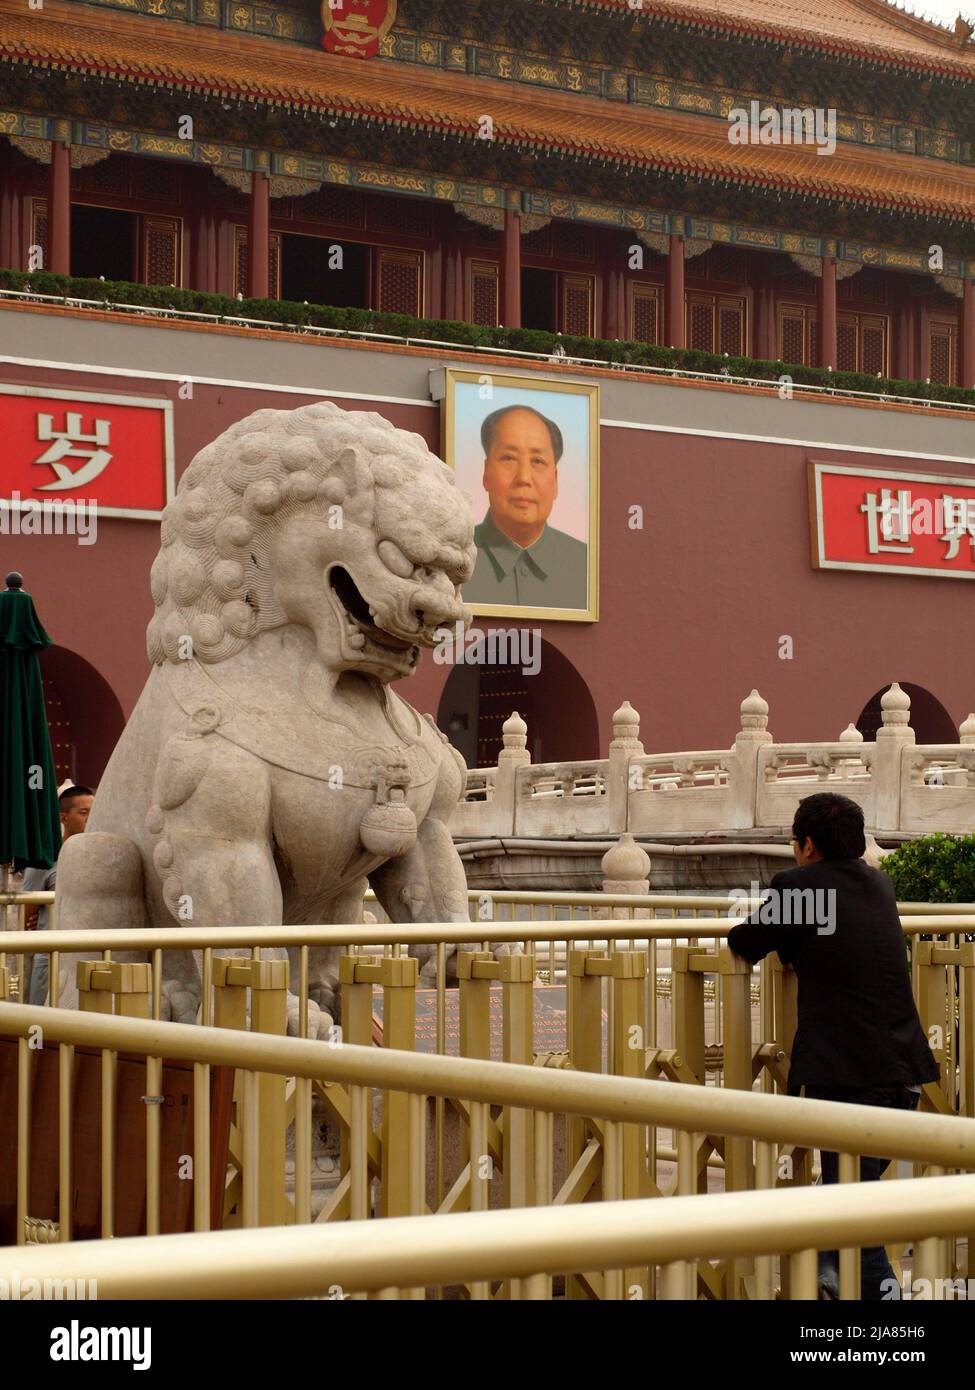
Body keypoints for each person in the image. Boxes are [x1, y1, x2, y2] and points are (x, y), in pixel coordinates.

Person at [727, 792, 938, 1301]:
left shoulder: (800, 886)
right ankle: (825, 1280)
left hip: (848, 1077)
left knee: (853, 1215)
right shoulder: (879, 884)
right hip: (903, 1072)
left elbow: (746, 940)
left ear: (807, 845)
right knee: (851, 1197)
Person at [468, 404, 587, 609]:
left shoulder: (586, 565)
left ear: (556, 480)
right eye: (509, 458)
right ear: (486, 473)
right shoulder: (454, 558)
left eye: (538, 461)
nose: (523, 478)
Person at [22, 784, 94, 1006]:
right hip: (51, 954)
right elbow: (28, 912)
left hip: (90, 952)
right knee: (42, 1021)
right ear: (63, 818)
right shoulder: (46, 859)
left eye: (94, 810)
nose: (91, 818)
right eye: (83, 813)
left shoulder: (100, 856)